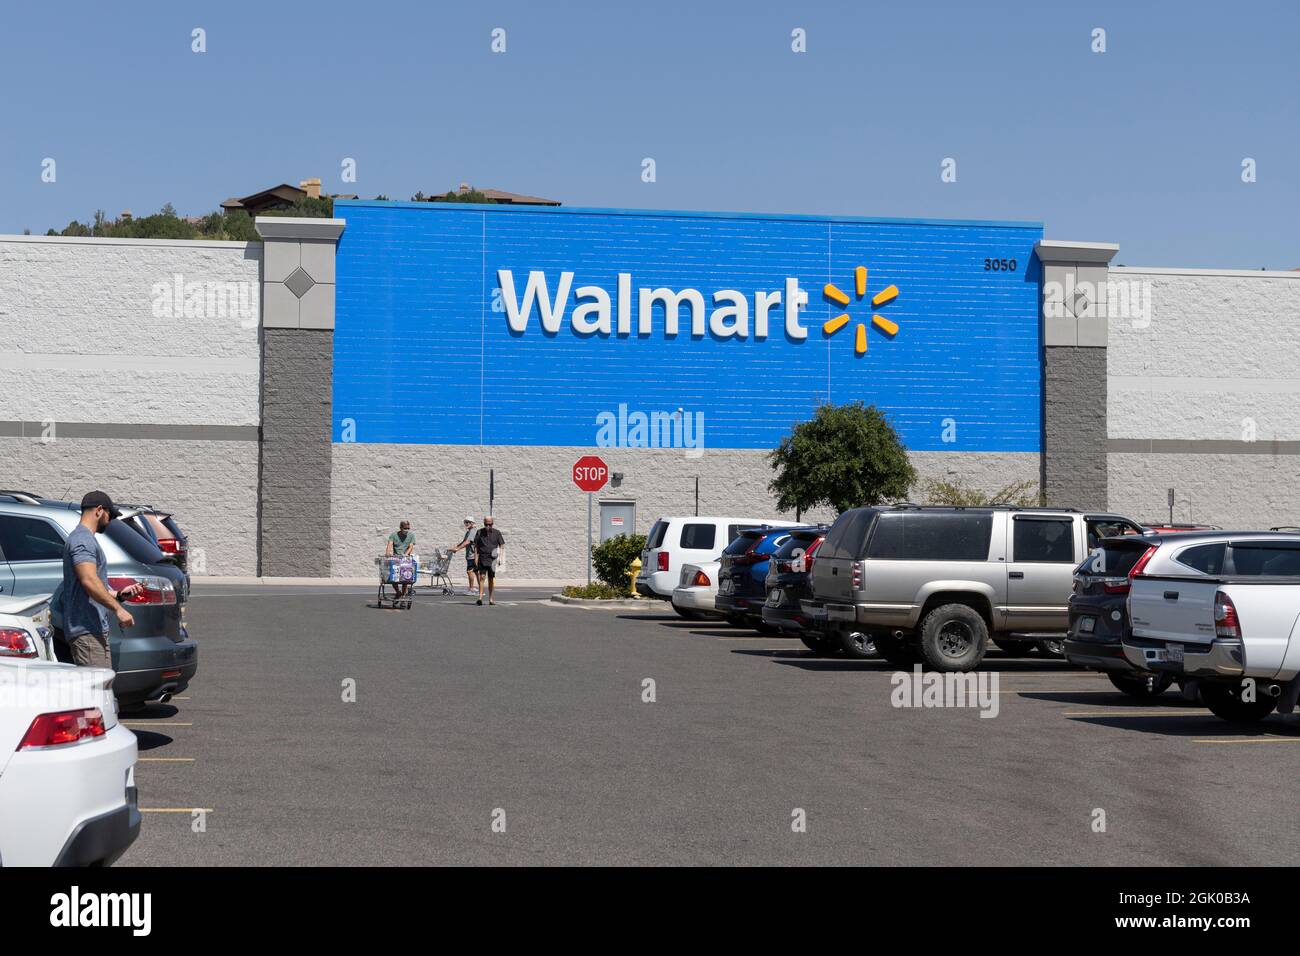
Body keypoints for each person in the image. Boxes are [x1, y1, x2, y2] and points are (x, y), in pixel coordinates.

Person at [61, 491, 143, 668]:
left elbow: (92, 586)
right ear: (99, 510)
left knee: (100, 690)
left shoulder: (85, 538)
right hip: (87, 630)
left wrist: (119, 595)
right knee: (96, 692)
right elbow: (89, 581)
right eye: (110, 515)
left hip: (93, 629)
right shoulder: (82, 540)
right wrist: (118, 610)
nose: (110, 520)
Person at [472, 515, 505, 606]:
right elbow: (476, 547)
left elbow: (501, 545)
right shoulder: (479, 532)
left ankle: (491, 599)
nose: (488, 526)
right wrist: (475, 558)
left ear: (492, 524)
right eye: (486, 524)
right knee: (482, 577)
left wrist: (501, 558)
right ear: (484, 523)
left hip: (493, 559)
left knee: (491, 579)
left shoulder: (497, 533)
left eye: (490, 524)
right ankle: (480, 598)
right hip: (482, 557)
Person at [385, 520, 417, 601]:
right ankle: (398, 592)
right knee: (393, 578)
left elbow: (411, 546)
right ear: (401, 528)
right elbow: (390, 544)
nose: (407, 530)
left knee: (405, 579)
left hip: (406, 559)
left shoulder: (411, 535)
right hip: (396, 558)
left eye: (408, 528)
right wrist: (388, 553)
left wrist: (406, 554)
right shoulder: (394, 535)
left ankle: (403, 595)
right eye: (405, 528)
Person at [448, 516, 478, 594]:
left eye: (468, 522)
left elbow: (467, 542)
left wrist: (457, 549)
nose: (466, 524)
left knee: (470, 571)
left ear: (472, 523)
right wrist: (455, 547)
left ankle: (472, 589)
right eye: (465, 522)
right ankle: (474, 589)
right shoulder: (469, 531)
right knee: (474, 572)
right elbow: (463, 542)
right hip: (470, 554)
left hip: (473, 555)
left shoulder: (473, 531)